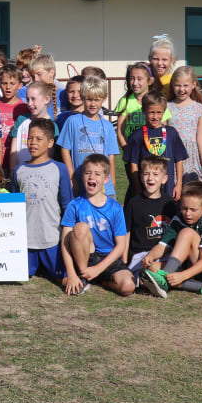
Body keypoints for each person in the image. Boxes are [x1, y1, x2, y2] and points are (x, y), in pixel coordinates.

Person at [138, 181, 202, 299]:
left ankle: (165, 280)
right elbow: (162, 246)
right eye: (184, 208)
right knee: (149, 270)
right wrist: (150, 256)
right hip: (186, 266)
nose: (187, 214)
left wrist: (183, 275)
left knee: (187, 233)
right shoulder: (178, 219)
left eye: (193, 210)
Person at [60, 154, 133, 296]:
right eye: (88, 173)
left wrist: (98, 269)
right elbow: (65, 242)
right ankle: (83, 275)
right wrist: (71, 274)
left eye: (97, 174)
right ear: (82, 176)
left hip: (109, 259)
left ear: (106, 179)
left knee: (128, 286)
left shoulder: (115, 207)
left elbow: (121, 245)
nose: (92, 177)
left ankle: (102, 280)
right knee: (81, 227)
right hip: (87, 256)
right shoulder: (74, 205)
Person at [14, 118, 72, 281]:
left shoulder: (59, 169)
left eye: (39, 139)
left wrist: (67, 239)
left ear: (50, 142)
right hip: (26, 241)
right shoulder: (19, 170)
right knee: (20, 275)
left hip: (51, 240)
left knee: (62, 277)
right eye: (30, 138)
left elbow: (67, 204)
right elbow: (15, 208)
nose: (33, 142)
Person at [58, 76, 121, 199]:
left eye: (97, 100)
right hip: (81, 184)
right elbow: (65, 150)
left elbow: (111, 156)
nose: (93, 104)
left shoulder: (108, 126)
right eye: (89, 99)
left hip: (104, 186)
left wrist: (112, 182)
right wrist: (72, 178)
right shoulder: (72, 121)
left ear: (104, 99)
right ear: (82, 97)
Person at [121, 92, 186, 201]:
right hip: (146, 188)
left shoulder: (171, 133)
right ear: (143, 111)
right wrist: (138, 188)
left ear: (164, 112)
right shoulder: (137, 136)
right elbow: (133, 164)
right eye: (151, 112)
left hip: (168, 188)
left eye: (159, 112)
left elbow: (179, 159)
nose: (155, 116)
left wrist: (179, 184)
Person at [122, 156, 177, 276]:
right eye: (146, 174)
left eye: (155, 174)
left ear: (164, 179)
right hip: (140, 255)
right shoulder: (133, 203)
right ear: (141, 177)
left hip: (163, 253)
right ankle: (149, 278)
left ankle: (154, 277)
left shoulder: (170, 204)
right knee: (147, 271)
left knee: (171, 267)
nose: (150, 178)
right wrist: (124, 261)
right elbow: (126, 233)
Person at [167, 66, 202, 183]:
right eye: (177, 85)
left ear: (193, 85)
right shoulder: (166, 107)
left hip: (192, 158)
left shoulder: (200, 109)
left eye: (185, 85)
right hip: (173, 155)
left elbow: (201, 140)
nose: (181, 89)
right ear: (172, 85)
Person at [10, 81, 56, 173]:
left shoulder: (53, 125)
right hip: (20, 172)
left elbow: (50, 153)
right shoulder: (21, 120)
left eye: (33, 99)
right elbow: (13, 151)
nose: (29, 103)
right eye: (28, 99)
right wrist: (12, 171)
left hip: (41, 174)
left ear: (46, 99)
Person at [0, 66, 29, 169]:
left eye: (12, 83)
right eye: (4, 83)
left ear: (20, 85)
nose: (8, 87)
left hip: (17, 161)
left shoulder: (25, 108)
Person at [114, 62, 157, 146]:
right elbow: (120, 130)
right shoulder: (125, 101)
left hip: (152, 149)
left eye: (139, 79)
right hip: (130, 150)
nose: (135, 83)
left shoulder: (156, 101)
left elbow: (163, 127)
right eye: (132, 78)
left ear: (150, 81)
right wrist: (126, 148)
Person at [148, 33, 177, 99]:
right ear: (150, 58)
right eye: (156, 59)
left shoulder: (173, 81)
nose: (160, 63)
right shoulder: (145, 79)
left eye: (164, 59)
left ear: (172, 60)